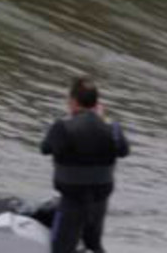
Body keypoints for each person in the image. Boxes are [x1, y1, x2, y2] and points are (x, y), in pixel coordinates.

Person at [40, 76, 130, 253]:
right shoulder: (112, 128)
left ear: (73, 101)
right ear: (97, 104)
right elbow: (124, 151)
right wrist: (101, 119)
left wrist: (70, 119)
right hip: (99, 199)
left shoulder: (63, 126)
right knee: (93, 244)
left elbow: (45, 148)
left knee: (61, 248)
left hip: (73, 200)